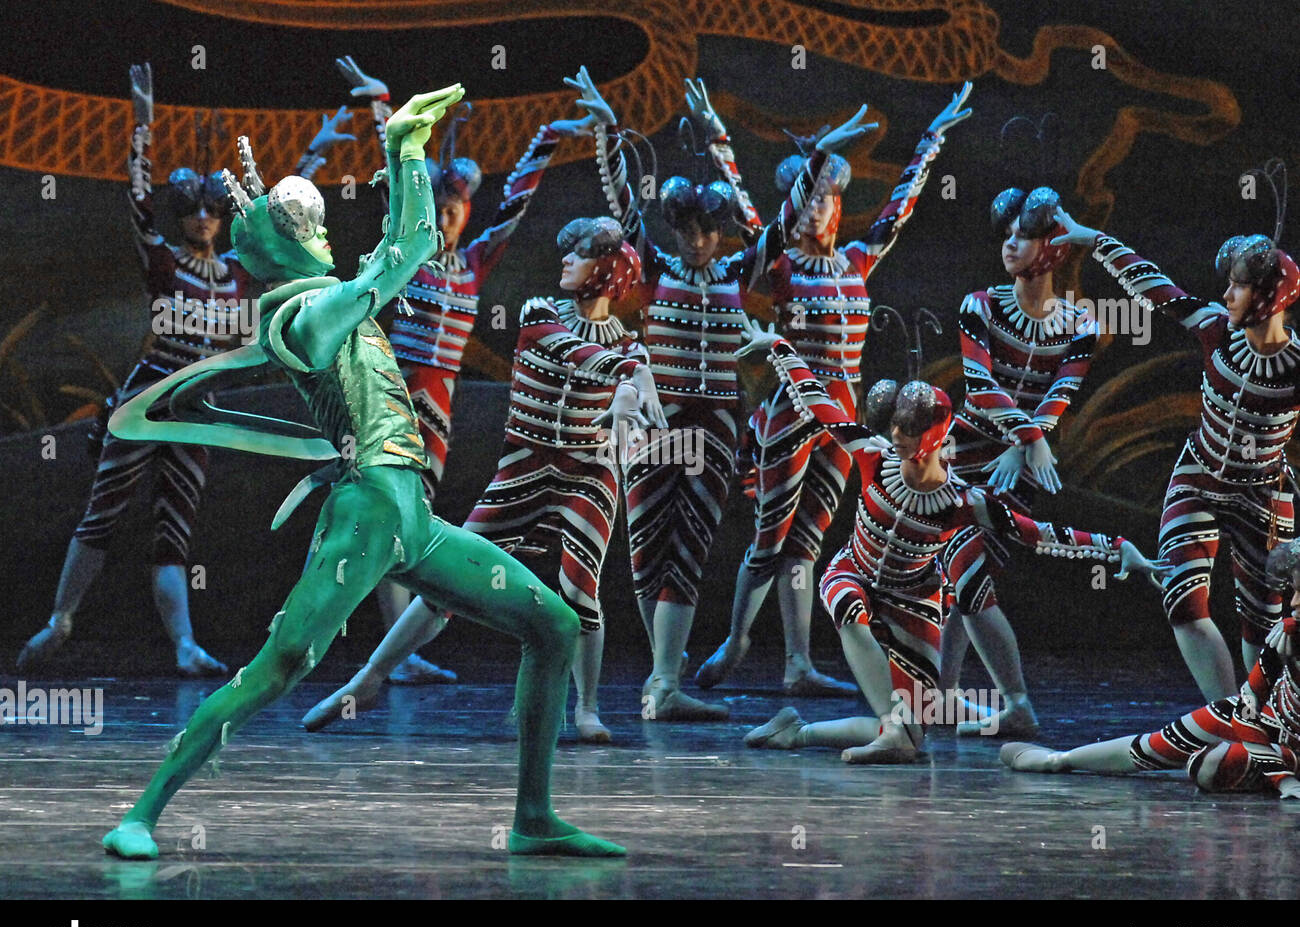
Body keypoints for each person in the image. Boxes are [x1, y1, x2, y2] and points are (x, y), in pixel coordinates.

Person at [101, 86, 623, 860]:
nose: (313, 229)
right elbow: (406, 250)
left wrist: (403, 155)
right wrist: (403, 148)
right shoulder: (303, 316)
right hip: (367, 512)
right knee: (282, 664)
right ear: (278, 249)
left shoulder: (331, 298)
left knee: (550, 624)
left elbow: (396, 249)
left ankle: (534, 818)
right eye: (292, 223)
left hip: (412, 515)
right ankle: (140, 814)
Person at [18, 63, 350, 677]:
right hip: (149, 397)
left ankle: (183, 645)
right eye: (193, 211)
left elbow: (279, 223)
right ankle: (60, 619)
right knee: (104, 511)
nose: (202, 219)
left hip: (198, 408)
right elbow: (135, 201)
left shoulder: (236, 274)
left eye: (211, 211)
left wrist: (315, 159)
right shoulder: (165, 264)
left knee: (175, 528)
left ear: (222, 218)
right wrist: (142, 122)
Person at [570, 67, 875, 719]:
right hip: (656, 427)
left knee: (689, 547)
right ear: (677, 228)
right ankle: (663, 674)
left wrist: (789, 149)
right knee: (647, 550)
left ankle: (664, 686)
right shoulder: (653, 264)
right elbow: (623, 200)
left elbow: (786, 214)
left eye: (709, 231)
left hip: (713, 432)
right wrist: (606, 128)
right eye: (690, 231)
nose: (701, 243)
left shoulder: (742, 266)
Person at [302, 217, 664, 743]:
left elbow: (623, 383)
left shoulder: (630, 349)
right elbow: (573, 353)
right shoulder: (541, 314)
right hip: (526, 465)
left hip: (589, 473)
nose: (565, 260)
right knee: (450, 577)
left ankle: (586, 707)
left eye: (580, 254)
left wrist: (633, 383)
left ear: (606, 270)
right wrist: (631, 374)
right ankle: (370, 678)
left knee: (581, 590)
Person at [736, 325, 1167, 763]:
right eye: (897, 424)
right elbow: (819, 402)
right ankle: (891, 731)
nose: (897, 434)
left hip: (913, 599)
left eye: (908, 427)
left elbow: (1038, 534)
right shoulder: (872, 455)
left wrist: (1117, 548)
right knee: (849, 609)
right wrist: (780, 348)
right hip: (854, 572)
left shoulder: (964, 502)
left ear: (933, 437)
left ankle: (800, 731)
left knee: (909, 739)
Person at [699, 83, 973, 697]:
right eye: (810, 197)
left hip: (845, 415)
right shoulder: (779, 263)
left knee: (809, 540)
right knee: (771, 535)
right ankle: (737, 640)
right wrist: (719, 136)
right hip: (791, 409)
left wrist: (932, 140)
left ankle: (798, 663)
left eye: (828, 197)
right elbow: (748, 208)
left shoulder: (855, 260)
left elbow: (899, 209)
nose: (818, 208)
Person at [1051, 184, 1300, 702]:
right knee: (1183, 599)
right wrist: (1092, 239)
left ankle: (1263, 721)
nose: (1226, 296)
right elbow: (1154, 285)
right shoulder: (1213, 328)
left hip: (1263, 493)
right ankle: (1227, 716)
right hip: (1199, 477)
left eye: (1238, 288)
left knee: (1263, 622)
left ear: (1270, 298)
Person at [935, 183, 1101, 736]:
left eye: (1023, 237)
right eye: (1005, 235)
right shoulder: (978, 305)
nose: (1009, 245)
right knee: (963, 574)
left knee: (970, 578)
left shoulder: (1081, 325)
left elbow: (1060, 394)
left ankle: (993, 701)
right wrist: (1028, 437)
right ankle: (965, 695)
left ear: (1052, 248)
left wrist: (1024, 444)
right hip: (967, 452)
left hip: (1020, 464)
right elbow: (979, 386)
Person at [1002, 540, 1300, 800]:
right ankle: (1059, 759)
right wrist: (1282, 778)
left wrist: (1283, 774)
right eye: (1294, 592)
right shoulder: (1286, 636)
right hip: (1263, 723)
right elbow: (1246, 712)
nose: (1295, 602)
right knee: (1156, 745)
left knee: (1209, 768)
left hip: (1291, 749)